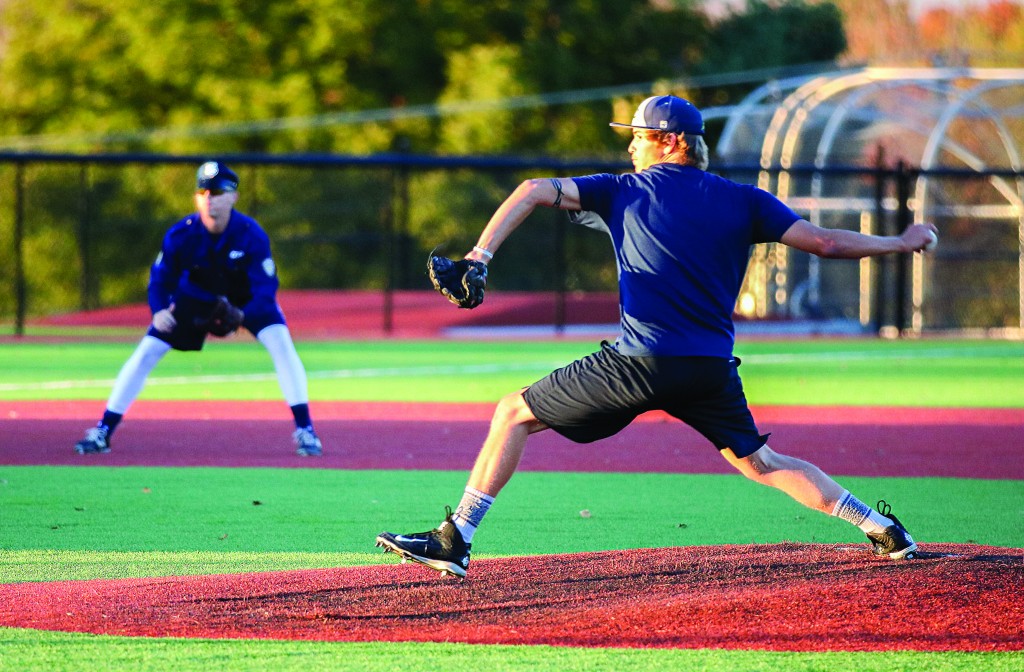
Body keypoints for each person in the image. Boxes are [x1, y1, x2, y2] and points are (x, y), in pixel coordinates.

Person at [376, 95, 935, 578]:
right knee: (761, 462)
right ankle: (881, 527)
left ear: (669, 141)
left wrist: (479, 257)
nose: (631, 149)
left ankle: (456, 539)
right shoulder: (743, 200)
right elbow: (827, 244)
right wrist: (903, 242)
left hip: (641, 361)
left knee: (512, 413)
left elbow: (530, 190)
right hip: (709, 369)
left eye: (639, 138)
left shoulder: (624, 190)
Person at [74, 161, 323, 457]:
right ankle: (103, 430)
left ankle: (306, 430)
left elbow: (266, 289)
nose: (209, 198)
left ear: (233, 197)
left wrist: (244, 316)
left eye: (217, 191)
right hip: (194, 300)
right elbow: (160, 280)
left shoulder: (251, 234)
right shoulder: (182, 235)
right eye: (203, 191)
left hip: (246, 303)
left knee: (281, 342)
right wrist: (159, 310)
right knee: (147, 350)